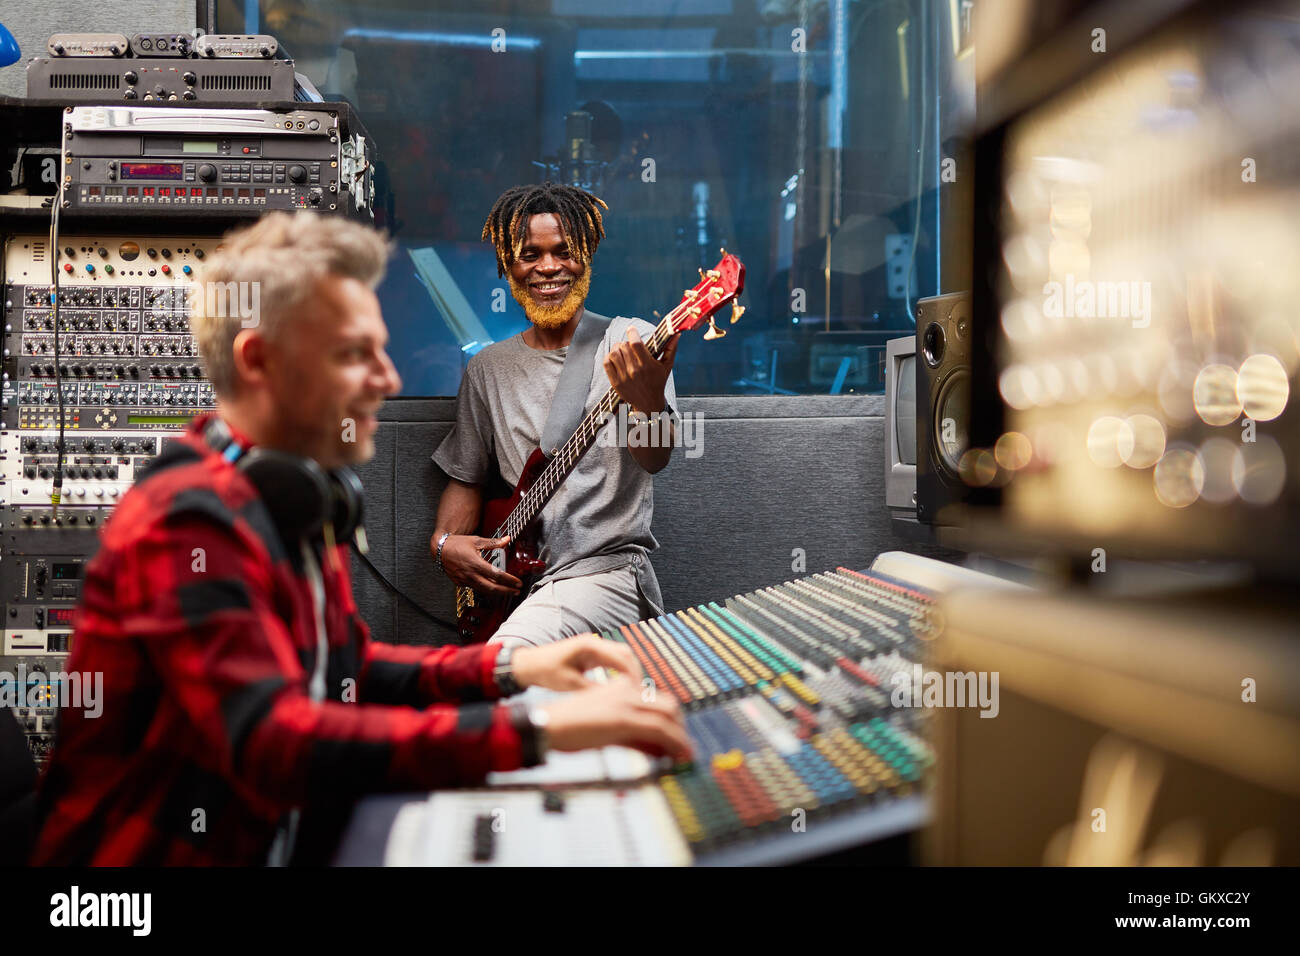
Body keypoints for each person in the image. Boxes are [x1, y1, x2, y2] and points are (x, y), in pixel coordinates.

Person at [31, 211, 690, 866]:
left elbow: (350, 667)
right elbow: (275, 743)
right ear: (259, 362)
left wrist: (512, 667)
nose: (389, 378)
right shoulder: (186, 520)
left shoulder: (286, 501)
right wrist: (533, 728)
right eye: (354, 354)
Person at [432, 183, 680, 647]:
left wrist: (648, 401)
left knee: (502, 660)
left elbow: (656, 458)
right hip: (521, 586)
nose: (548, 267)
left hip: (606, 574)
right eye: (530, 255)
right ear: (509, 266)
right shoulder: (487, 368)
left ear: (586, 258)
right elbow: (466, 478)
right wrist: (444, 545)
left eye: (564, 252)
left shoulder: (631, 341)